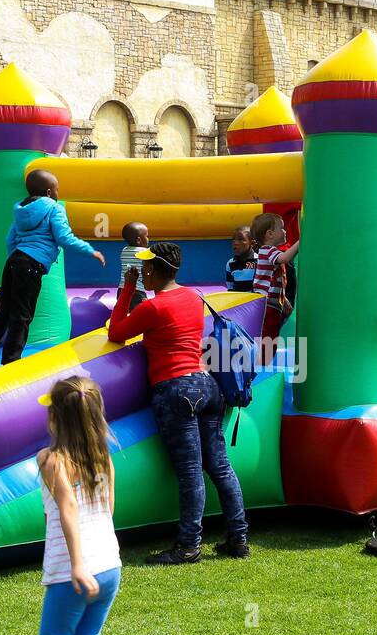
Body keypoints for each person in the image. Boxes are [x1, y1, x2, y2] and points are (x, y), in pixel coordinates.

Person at [108, 241, 249, 564]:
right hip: (206, 385)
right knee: (220, 467)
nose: (142, 273)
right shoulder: (194, 297)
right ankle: (238, 539)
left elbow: (116, 332)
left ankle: (188, 546)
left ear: (154, 271)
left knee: (189, 473)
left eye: (145, 268)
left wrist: (128, 290)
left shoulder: (153, 307)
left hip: (175, 389)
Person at [36, 376, 126, 635]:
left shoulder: (50, 460)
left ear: (55, 418)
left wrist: (76, 564)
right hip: (110, 563)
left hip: (74, 568)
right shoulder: (102, 455)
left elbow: (67, 509)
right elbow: (108, 508)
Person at [0, 169, 106, 372]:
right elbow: (64, 237)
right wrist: (90, 251)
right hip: (30, 266)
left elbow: (9, 240)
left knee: (2, 312)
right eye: (56, 190)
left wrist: (17, 258)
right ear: (48, 192)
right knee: (22, 316)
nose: (57, 194)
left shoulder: (21, 210)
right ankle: (11, 363)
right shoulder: (54, 208)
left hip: (13, 263)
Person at [251, 212, 299, 364]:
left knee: (270, 338)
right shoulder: (267, 250)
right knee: (267, 339)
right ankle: (261, 367)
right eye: (282, 228)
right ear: (270, 234)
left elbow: (274, 282)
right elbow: (286, 257)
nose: (285, 232)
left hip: (271, 306)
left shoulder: (268, 252)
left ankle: (262, 364)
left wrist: (284, 302)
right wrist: (301, 241)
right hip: (267, 307)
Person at [118, 222, 148, 312]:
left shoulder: (124, 250)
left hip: (121, 290)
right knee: (139, 315)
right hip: (137, 292)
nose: (148, 239)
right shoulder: (145, 252)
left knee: (124, 313)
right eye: (146, 236)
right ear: (139, 240)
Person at [225, 225, 257, 292]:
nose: (235, 243)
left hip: (255, 301)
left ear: (252, 243)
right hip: (239, 301)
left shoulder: (258, 261)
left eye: (241, 239)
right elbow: (230, 286)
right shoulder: (230, 263)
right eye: (233, 239)